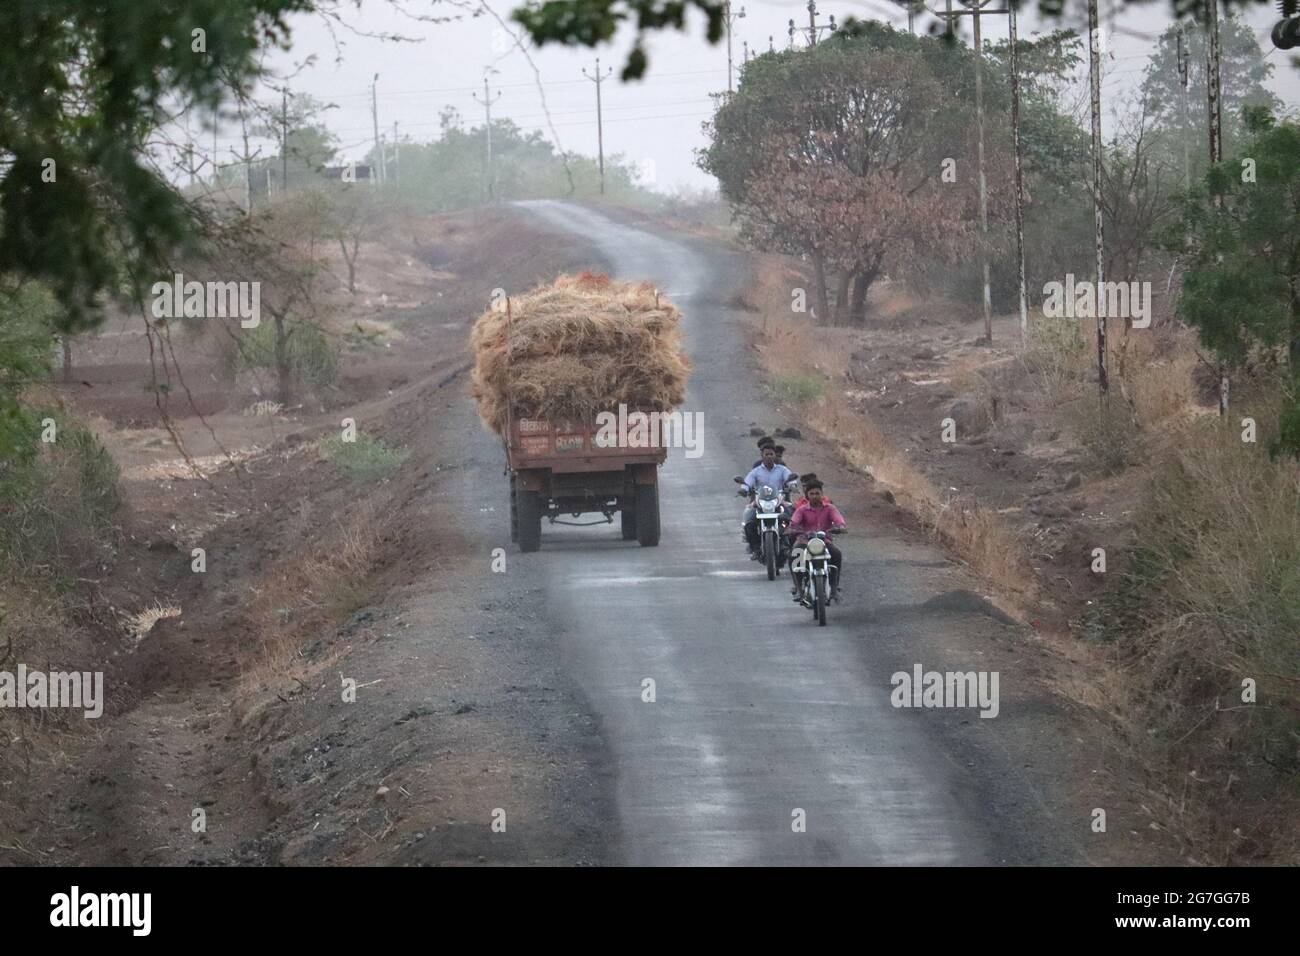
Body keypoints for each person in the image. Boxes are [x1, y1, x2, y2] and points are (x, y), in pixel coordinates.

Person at [785, 479, 846, 601]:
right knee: (794, 555)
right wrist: (793, 529)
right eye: (811, 494)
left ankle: (834, 589)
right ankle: (799, 589)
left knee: (836, 554)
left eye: (817, 493)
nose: (814, 496)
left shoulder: (830, 508)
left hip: (824, 541)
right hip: (804, 541)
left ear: (822, 494)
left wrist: (840, 527)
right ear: (807, 495)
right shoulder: (801, 510)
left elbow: (839, 521)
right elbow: (794, 523)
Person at [741, 444, 795, 559]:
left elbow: (790, 479)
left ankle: (788, 545)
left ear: (775, 455)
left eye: (771, 454)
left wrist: (792, 485)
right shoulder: (756, 472)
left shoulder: (782, 470)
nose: (769, 456)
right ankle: (755, 548)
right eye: (767, 454)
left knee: (793, 519)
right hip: (760, 503)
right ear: (762, 456)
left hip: (779, 502)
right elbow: (748, 481)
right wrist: (744, 489)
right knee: (749, 520)